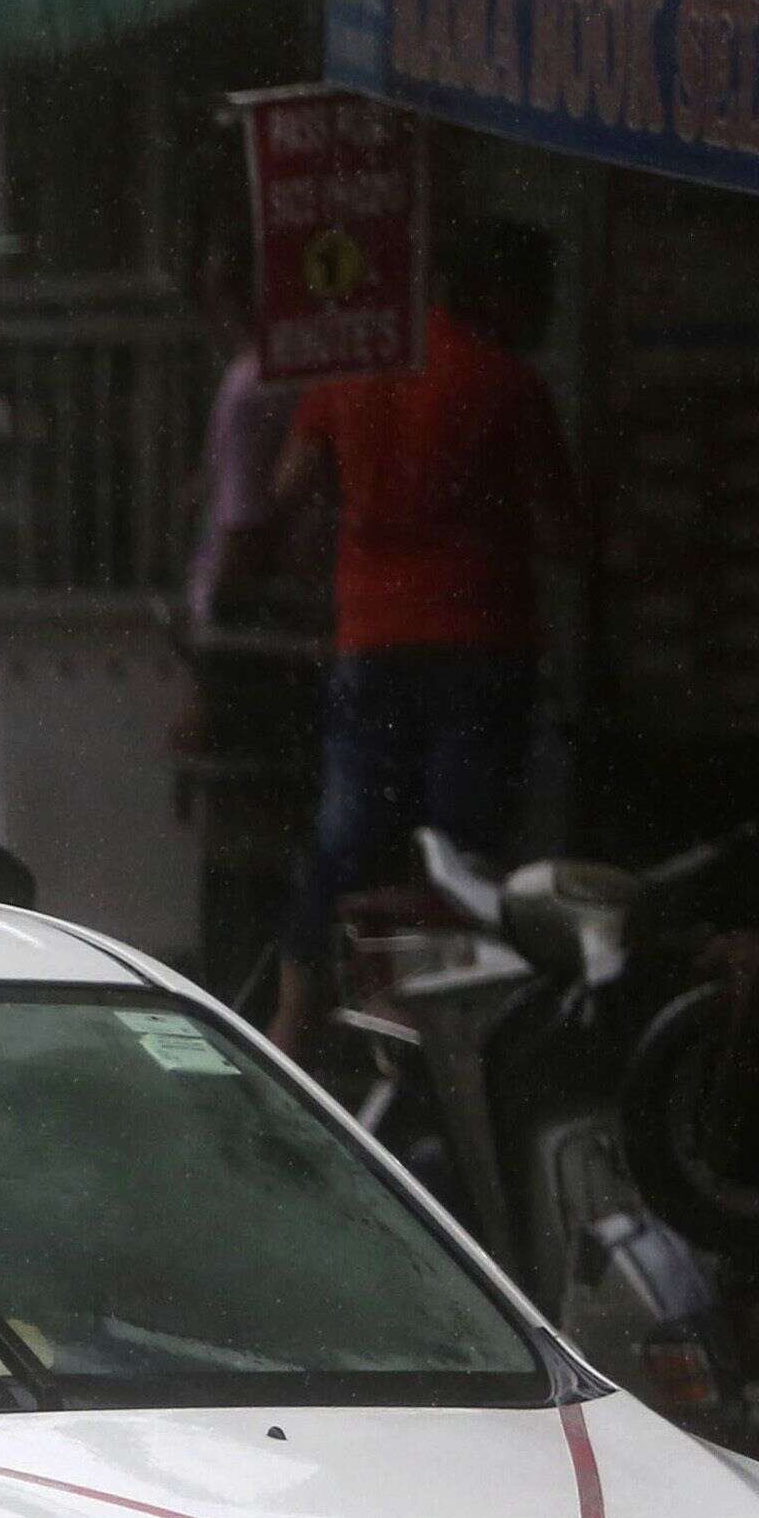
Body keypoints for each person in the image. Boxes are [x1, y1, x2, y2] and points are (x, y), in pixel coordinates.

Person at [267, 220, 581, 1047]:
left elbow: (288, 487)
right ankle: (447, 1025)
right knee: (461, 854)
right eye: (535, 294)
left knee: (344, 839)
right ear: (495, 294)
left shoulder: (350, 372)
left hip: (370, 641)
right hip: (482, 645)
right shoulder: (508, 384)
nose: (545, 312)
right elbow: (561, 534)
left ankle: (292, 1015)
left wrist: (335, 551)